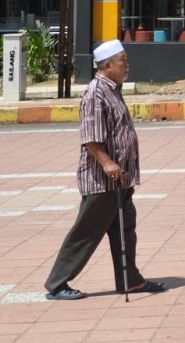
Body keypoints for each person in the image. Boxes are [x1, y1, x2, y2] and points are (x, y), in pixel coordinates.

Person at [44, 41, 166, 300]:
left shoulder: (113, 89)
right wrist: (108, 162)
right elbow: (90, 137)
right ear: (108, 65)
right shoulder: (95, 93)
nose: (127, 64)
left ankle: (130, 280)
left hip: (120, 180)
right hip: (103, 180)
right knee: (85, 232)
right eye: (122, 60)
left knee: (125, 231)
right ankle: (57, 284)